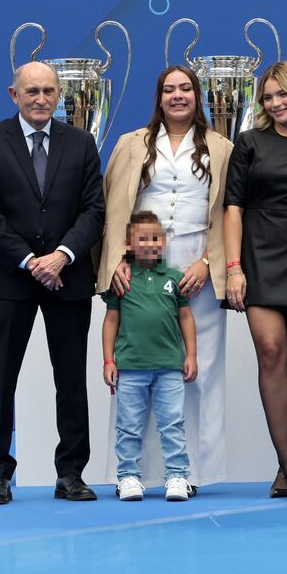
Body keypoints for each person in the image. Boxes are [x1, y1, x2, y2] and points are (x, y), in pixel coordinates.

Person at [0, 61, 105, 505]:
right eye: (32, 91)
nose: (41, 99)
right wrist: (31, 261)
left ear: (59, 94)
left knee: (71, 377)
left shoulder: (82, 143)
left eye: (48, 91)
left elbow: (94, 211)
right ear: (14, 94)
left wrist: (62, 255)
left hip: (68, 277)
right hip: (8, 276)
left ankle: (71, 473)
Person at [99, 65, 234, 491]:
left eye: (186, 88)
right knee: (136, 365)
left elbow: (229, 212)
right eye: (169, 89)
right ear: (158, 97)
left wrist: (209, 262)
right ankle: (132, 472)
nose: (178, 95)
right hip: (141, 261)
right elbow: (112, 204)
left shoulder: (221, 146)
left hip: (199, 262)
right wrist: (118, 259)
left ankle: (191, 472)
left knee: (199, 367)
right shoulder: (132, 144)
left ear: (197, 95)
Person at [223, 61, 287, 500]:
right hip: (258, 258)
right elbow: (233, 208)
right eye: (267, 97)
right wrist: (234, 268)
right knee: (271, 351)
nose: (275, 103)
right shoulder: (249, 142)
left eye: (282, 94)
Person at [102, 211, 198, 502]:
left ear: (164, 242)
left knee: (172, 424)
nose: (150, 243)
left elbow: (185, 317)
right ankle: (128, 476)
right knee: (128, 426)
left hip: (169, 367)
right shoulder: (121, 280)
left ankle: (178, 475)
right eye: (142, 239)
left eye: (155, 238)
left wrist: (191, 355)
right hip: (130, 367)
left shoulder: (174, 278)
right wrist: (108, 360)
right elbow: (111, 321)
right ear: (129, 245)